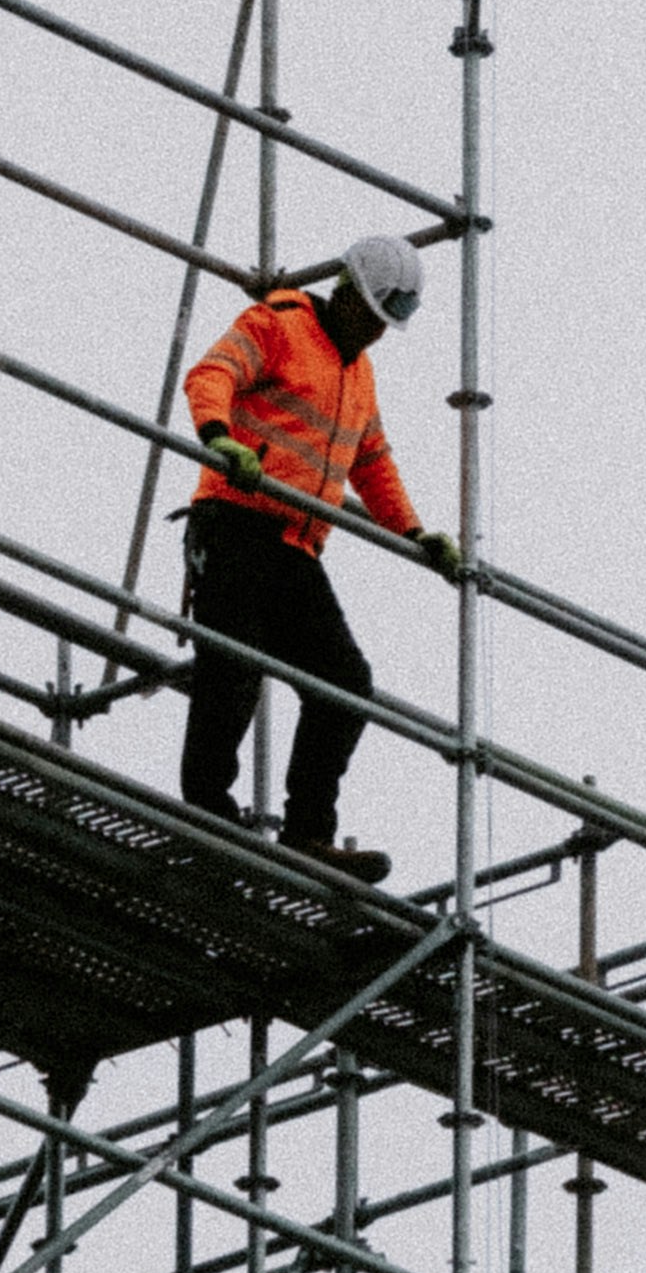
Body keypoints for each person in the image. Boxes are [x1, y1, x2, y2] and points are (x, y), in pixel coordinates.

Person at [177, 224, 463, 871]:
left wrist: (415, 533)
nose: (378, 331)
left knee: (345, 683)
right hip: (233, 522)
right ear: (347, 292)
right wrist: (219, 437)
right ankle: (207, 816)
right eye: (375, 313)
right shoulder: (279, 322)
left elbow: (373, 461)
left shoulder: (358, 375)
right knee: (232, 670)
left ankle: (308, 832)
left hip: (294, 548)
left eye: (390, 321)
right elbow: (212, 374)